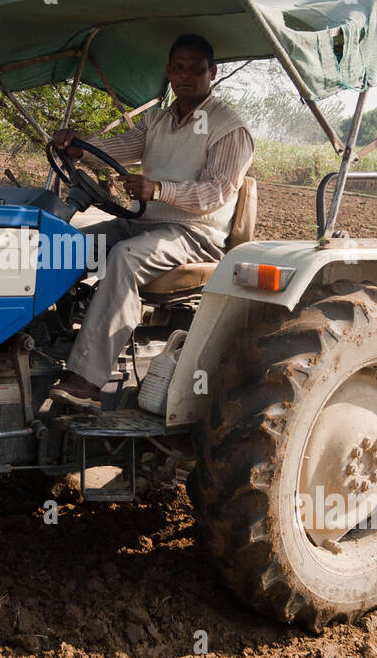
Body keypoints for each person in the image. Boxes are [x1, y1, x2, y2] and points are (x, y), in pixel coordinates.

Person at [48, 33, 254, 411]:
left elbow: (216, 194)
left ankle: (87, 380)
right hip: (143, 223)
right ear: (169, 71)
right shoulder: (157, 119)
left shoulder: (228, 127)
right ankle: (38, 342)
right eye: (178, 67)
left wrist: (159, 189)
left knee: (125, 257)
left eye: (196, 69)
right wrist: (80, 147)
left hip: (195, 233)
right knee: (63, 247)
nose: (185, 76)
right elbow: (121, 149)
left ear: (213, 72)